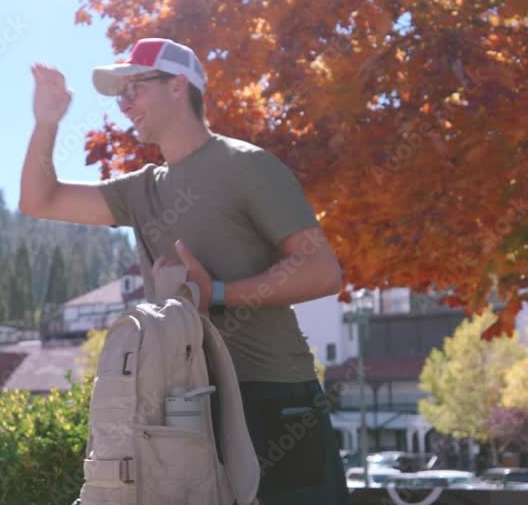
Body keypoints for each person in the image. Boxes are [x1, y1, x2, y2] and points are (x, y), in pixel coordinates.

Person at [20, 38, 350, 504]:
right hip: (186, 401)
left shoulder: (248, 165)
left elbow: (322, 273)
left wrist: (216, 292)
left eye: (135, 86)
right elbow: (40, 200)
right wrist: (47, 123)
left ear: (178, 87)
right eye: (121, 93)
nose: (125, 102)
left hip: (273, 395)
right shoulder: (140, 191)